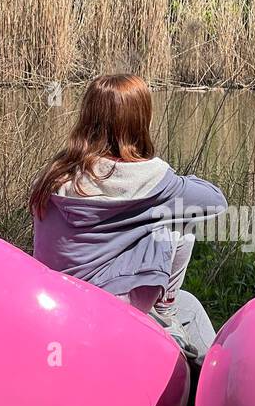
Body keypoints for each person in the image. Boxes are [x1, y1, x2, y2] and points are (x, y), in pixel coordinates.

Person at [31, 73, 225, 360]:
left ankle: (172, 320)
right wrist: (176, 179)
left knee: (189, 300)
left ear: (86, 117)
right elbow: (216, 202)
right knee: (180, 219)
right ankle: (199, 374)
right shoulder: (154, 181)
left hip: (59, 306)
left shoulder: (54, 176)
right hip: (118, 311)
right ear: (140, 121)